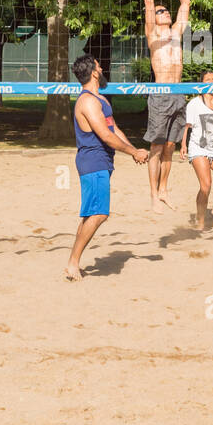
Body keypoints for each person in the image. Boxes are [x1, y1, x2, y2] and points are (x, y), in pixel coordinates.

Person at [66, 54, 150, 281]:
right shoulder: (88, 102)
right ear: (94, 72)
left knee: (91, 214)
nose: (102, 68)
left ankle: (73, 260)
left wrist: (135, 150)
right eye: (99, 65)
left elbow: (114, 129)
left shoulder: (99, 99)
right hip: (92, 161)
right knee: (100, 213)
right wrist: (133, 152)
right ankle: (73, 262)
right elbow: (104, 136)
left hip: (102, 161)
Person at [137, 0, 190, 213]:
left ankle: (164, 190)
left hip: (179, 95)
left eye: (165, 10)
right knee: (156, 147)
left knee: (170, 147)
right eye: (161, 11)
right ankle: (152, 195)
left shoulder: (176, 32)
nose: (164, 12)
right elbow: (148, 4)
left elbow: (185, 2)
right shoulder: (153, 33)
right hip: (160, 93)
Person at [179, 69, 213, 229]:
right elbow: (187, 127)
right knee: (206, 185)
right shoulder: (194, 104)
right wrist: (183, 145)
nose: (211, 81)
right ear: (202, 84)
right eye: (208, 79)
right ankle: (200, 219)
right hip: (198, 148)